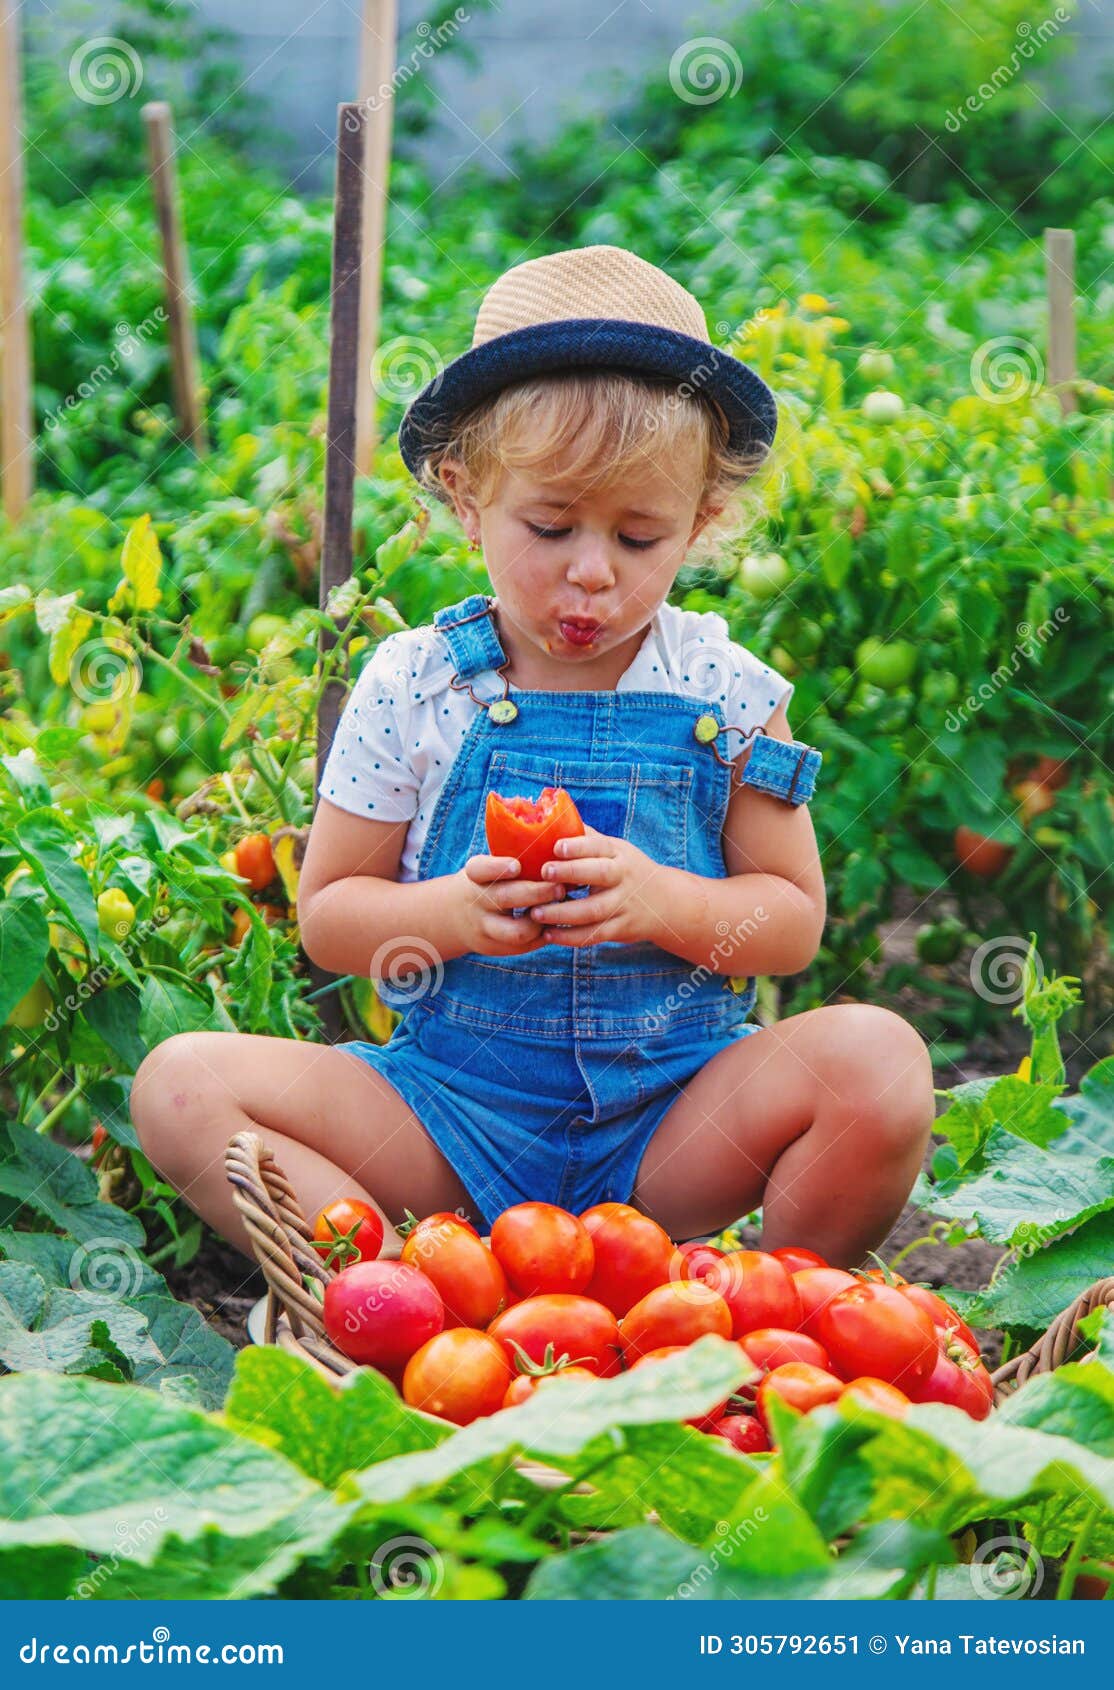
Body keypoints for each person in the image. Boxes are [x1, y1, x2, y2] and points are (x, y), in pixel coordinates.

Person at [132, 245, 934, 1268]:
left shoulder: (726, 689)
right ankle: (397, 1303)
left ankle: (778, 1317)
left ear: (702, 521)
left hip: (672, 1128)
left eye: (640, 538)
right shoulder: (418, 683)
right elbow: (331, 916)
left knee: (877, 1063)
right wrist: (446, 914)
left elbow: (788, 922)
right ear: (466, 498)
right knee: (181, 1084)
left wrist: (665, 902)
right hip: (445, 1119)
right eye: (549, 525)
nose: (591, 573)